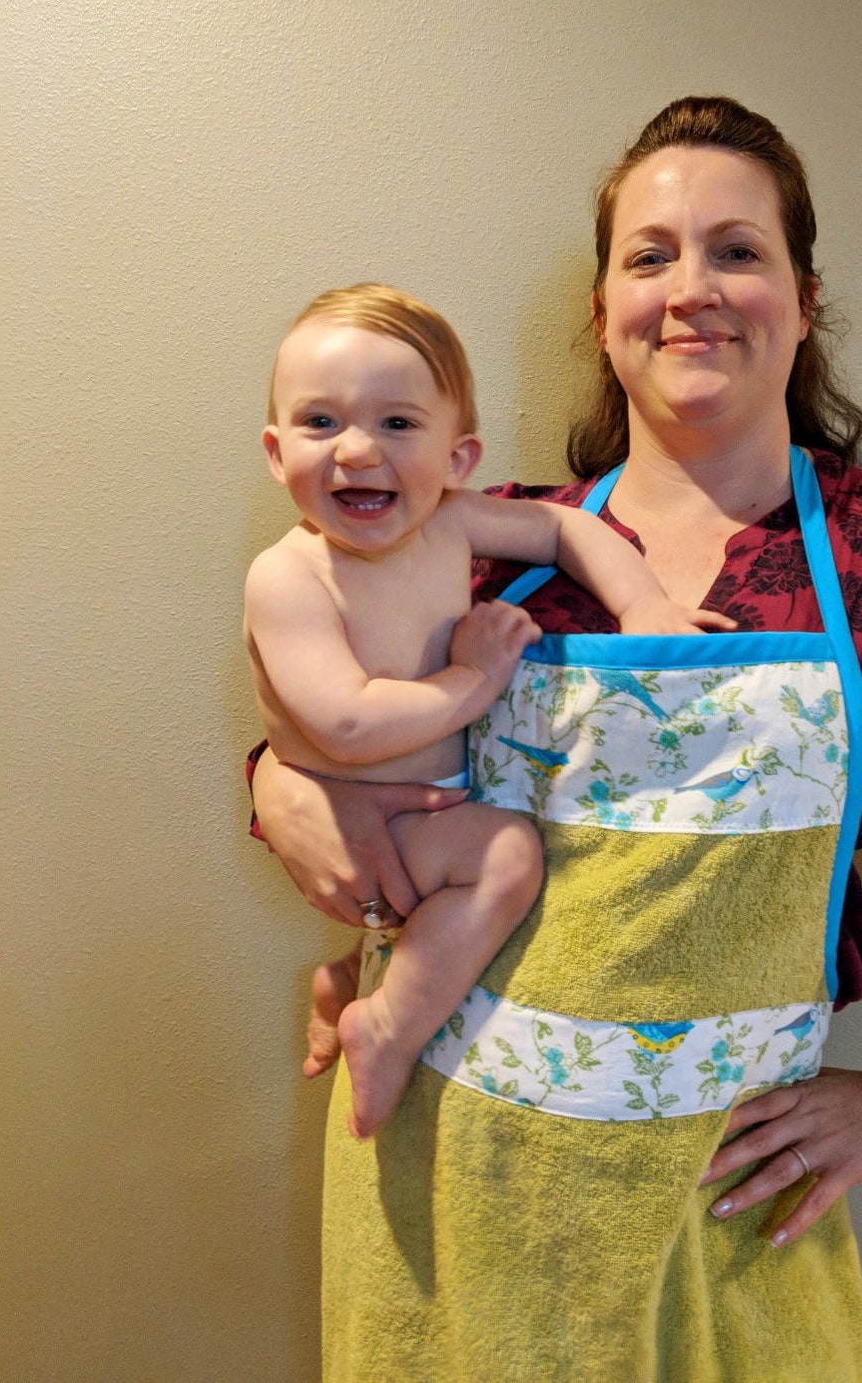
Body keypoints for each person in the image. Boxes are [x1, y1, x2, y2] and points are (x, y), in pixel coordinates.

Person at [249, 99, 862, 1380]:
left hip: (719, 1229)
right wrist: (280, 785)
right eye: (650, 255)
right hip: (445, 1201)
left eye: (737, 250)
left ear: (805, 299)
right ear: (604, 307)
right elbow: (321, 702)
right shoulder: (465, 535)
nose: (691, 290)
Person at [246, 283, 728, 1137]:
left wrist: (644, 602)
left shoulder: (452, 525)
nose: (356, 450)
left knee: (455, 892)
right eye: (321, 422)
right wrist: (474, 680)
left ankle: (347, 980)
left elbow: (563, 530)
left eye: (397, 423)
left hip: (433, 810)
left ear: (458, 458)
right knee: (506, 860)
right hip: (375, 826)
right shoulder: (289, 577)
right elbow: (346, 726)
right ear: (278, 454)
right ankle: (385, 1028)